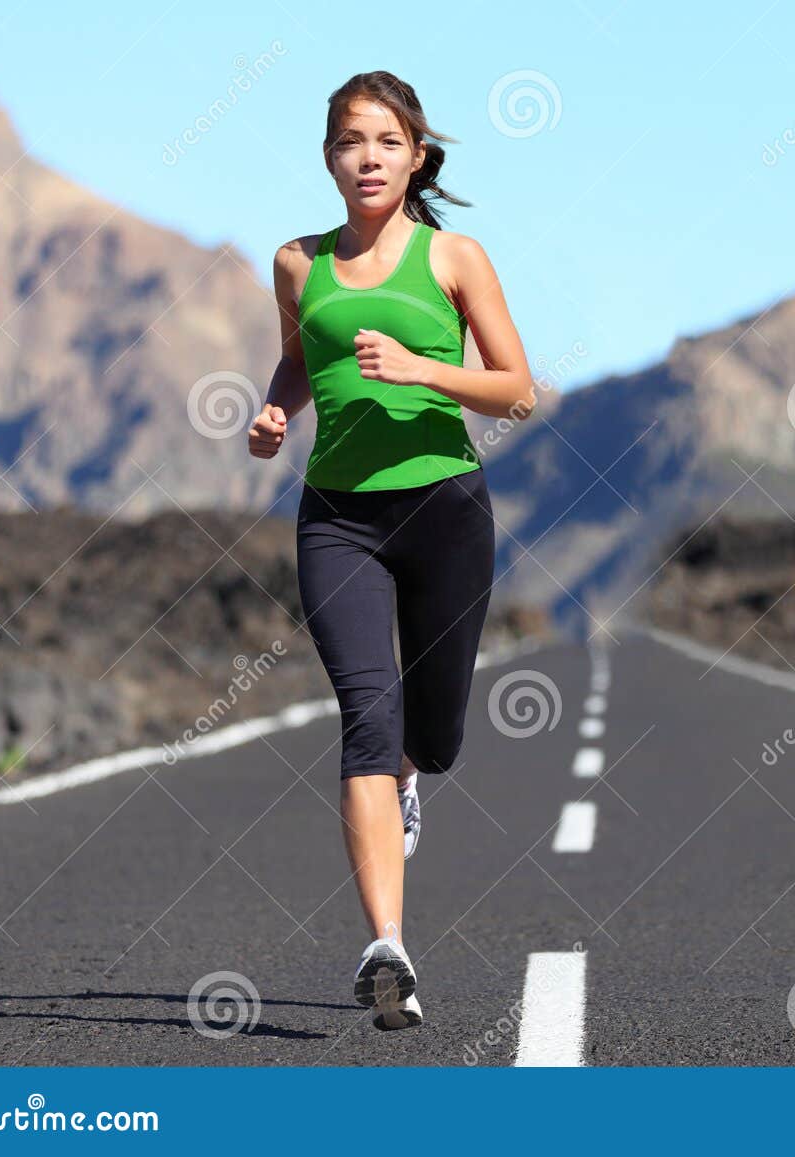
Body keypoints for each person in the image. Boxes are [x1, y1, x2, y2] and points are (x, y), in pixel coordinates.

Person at [247, 71, 536, 1031]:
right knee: (365, 716)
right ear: (327, 157)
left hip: (446, 507)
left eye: (384, 141)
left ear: (416, 155)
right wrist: (277, 408)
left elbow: (518, 390)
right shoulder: (297, 261)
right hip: (337, 516)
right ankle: (389, 948)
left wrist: (423, 370)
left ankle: (414, 777)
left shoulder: (454, 257)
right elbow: (299, 352)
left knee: (435, 734)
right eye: (347, 142)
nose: (365, 158)